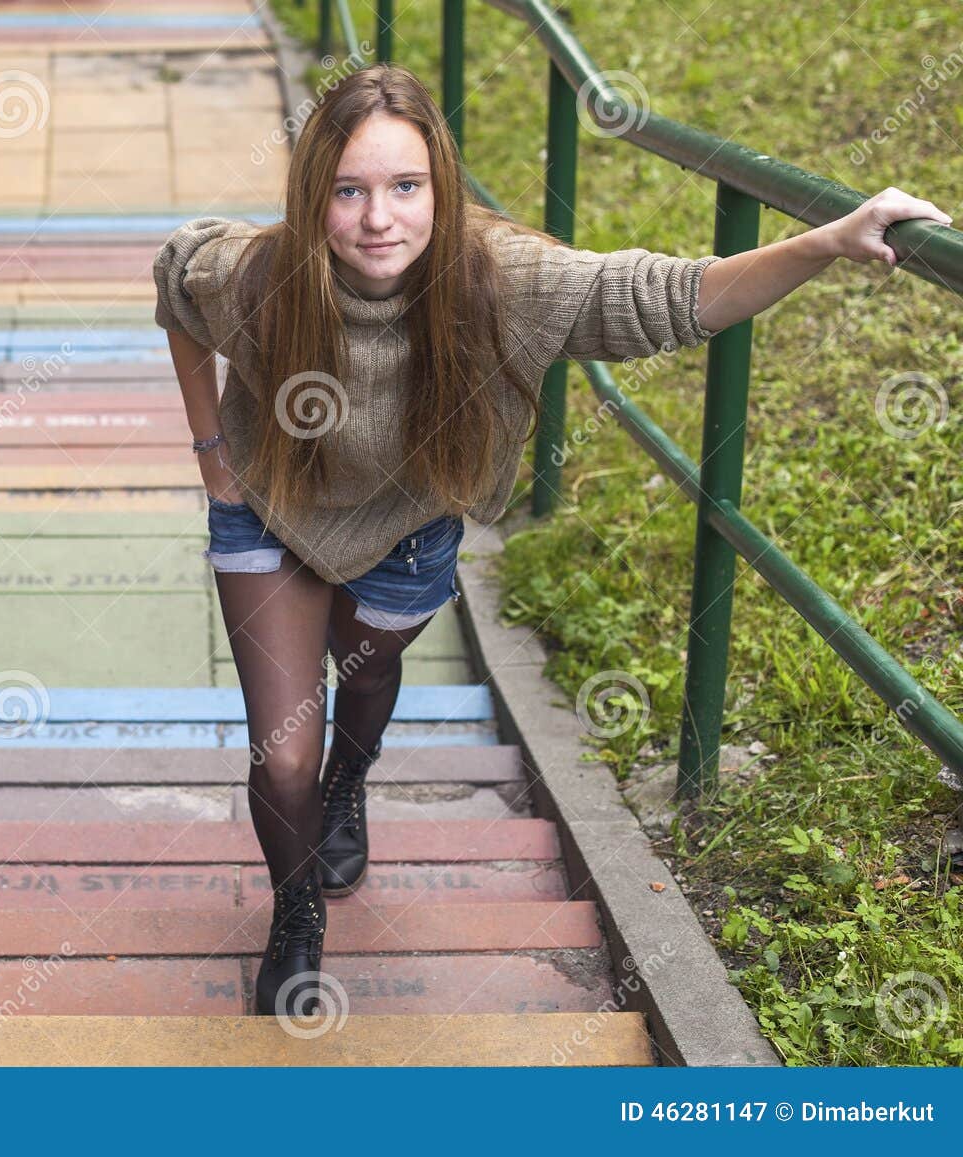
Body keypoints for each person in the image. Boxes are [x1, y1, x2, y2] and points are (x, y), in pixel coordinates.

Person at [152, 62, 950, 1020]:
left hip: (408, 526)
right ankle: (295, 914)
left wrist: (826, 239)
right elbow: (176, 283)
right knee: (284, 752)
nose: (378, 219)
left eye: (406, 187)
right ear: (311, 193)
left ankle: (349, 783)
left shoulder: (504, 280)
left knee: (361, 681)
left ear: (441, 189)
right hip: (271, 504)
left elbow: (677, 298)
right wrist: (209, 447)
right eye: (347, 191)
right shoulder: (262, 275)